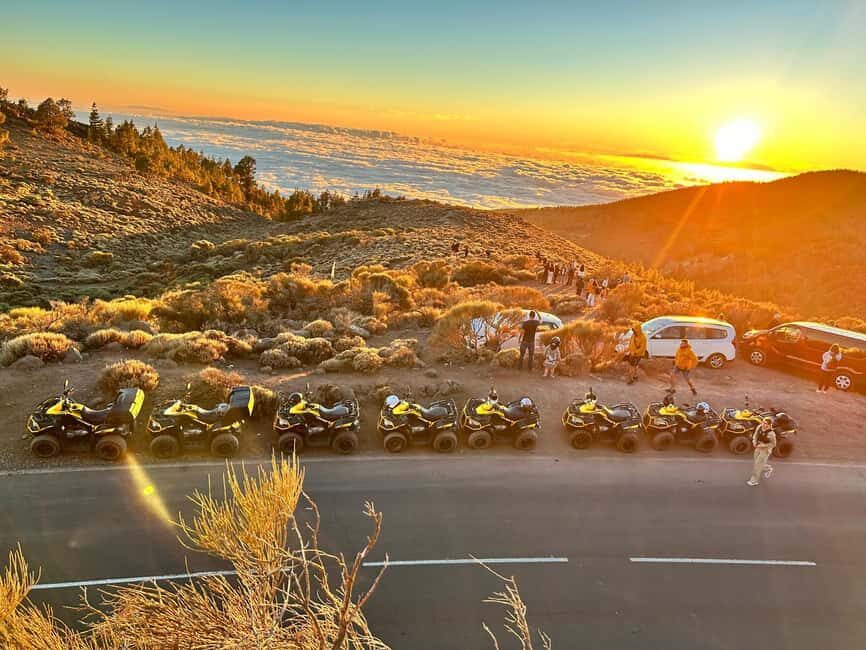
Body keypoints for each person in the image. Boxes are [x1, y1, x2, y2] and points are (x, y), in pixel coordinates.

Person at [747, 417, 777, 486]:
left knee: (757, 465)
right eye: (763, 422)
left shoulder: (771, 434)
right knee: (757, 462)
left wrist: (763, 445)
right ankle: (768, 468)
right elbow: (755, 435)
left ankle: (754, 481)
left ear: (769, 425)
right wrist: (754, 441)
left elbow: (773, 444)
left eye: (765, 423)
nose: (763, 424)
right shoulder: (759, 427)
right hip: (758, 447)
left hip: (765, 450)